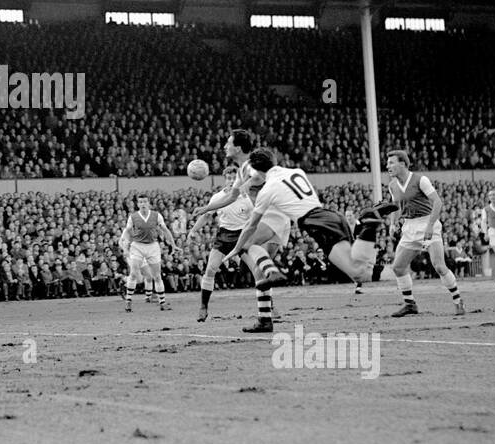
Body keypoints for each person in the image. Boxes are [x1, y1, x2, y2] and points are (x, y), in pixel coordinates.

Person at [221, 147, 382, 287]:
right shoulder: (297, 171)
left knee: (248, 243)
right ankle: (367, 228)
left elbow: (251, 226)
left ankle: (270, 270)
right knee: (362, 273)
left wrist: (236, 249)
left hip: (315, 223)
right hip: (332, 216)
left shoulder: (268, 189)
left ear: (257, 171)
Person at [188, 135, 285, 331]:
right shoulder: (226, 189)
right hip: (227, 234)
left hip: (256, 227)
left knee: (254, 263)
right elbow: (218, 207)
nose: (233, 180)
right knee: (216, 269)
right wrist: (199, 219)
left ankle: (271, 295)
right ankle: (206, 307)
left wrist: (248, 186)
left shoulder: (247, 181)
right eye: (229, 178)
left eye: (235, 177)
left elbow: (256, 211)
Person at [381, 150, 466, 318]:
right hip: (409, 227)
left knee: (439, 266)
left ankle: (457, 300)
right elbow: (396, 206)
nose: (387, 166)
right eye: (388, 163)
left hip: (428, 223)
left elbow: (437, 202)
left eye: (391, 162)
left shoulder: (420, 180)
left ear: (403, 164)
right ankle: (410, 304)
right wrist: (392, 223)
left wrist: (430, 226)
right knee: (398, 267)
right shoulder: (392, 185)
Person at [118, 193, 176, 312]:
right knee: (134, 274)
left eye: (145, 201)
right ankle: (128, 302)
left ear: (148, 203)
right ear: (137, 204)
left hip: (152, 246)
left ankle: (162, 302)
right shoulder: (133, 217)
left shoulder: (156, 215)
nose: (143, 204)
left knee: (157, 276)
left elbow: (165, 230)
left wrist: (173, 244)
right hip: (137, 246)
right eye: (140, 202)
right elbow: (127, 232)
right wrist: (125, 246)